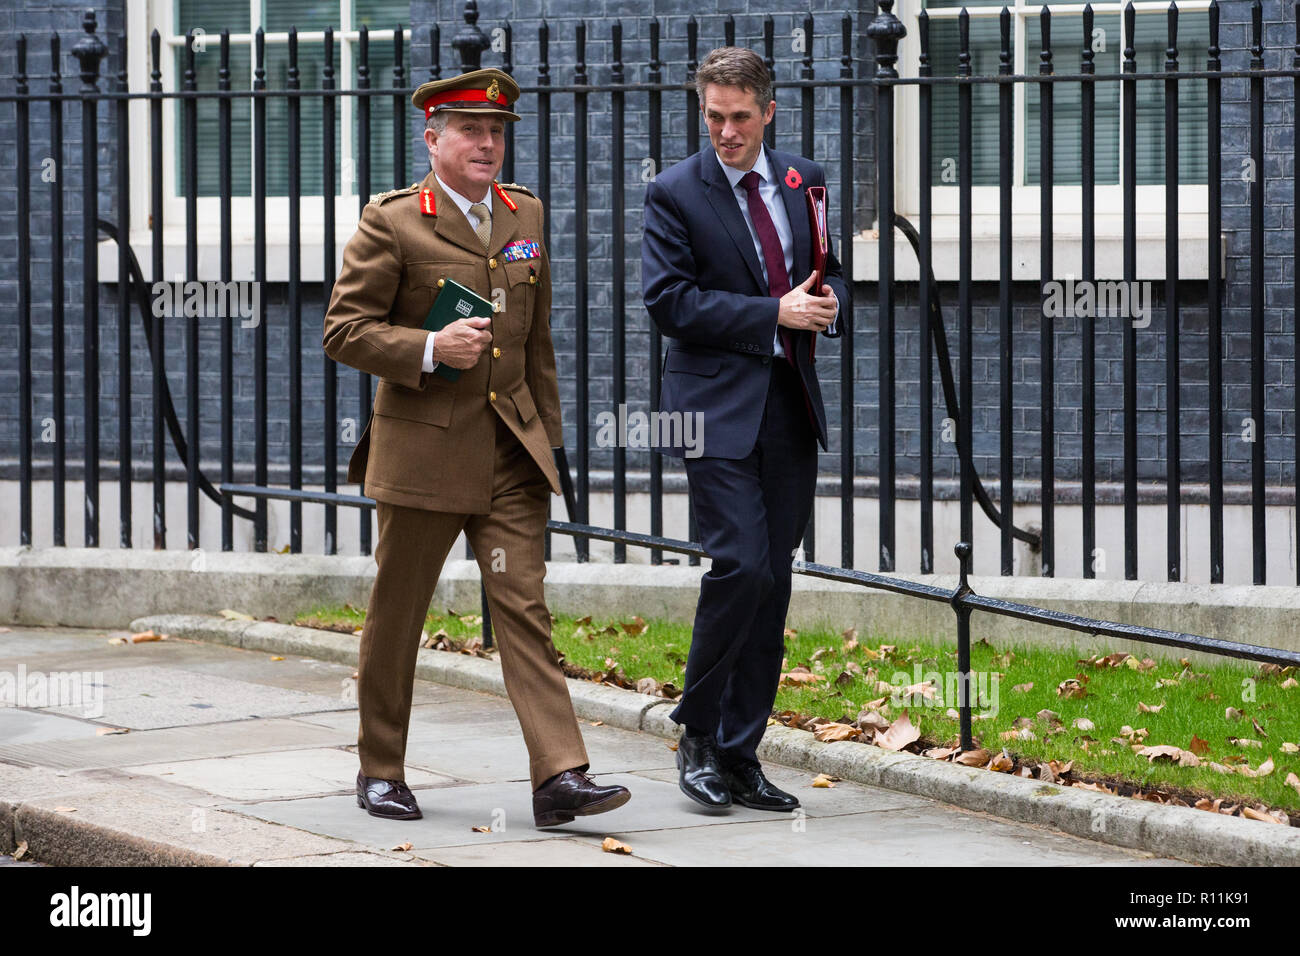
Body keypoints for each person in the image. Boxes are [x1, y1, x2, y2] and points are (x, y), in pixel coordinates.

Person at [323, 67, 629, 828]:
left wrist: (547, 441)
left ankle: (560, 775)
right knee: (399, 614)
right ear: (434, 139)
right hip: (425, 455)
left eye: (496, 132)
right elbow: (344, 331)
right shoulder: (393, 222)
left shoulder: (524, 211)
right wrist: (431, 347)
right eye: (470, 131)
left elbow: (539, 343)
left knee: (524, 607)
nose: (487, 143)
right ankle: (381, 768)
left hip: (509, 452)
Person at [641, 47, 850, 811]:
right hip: (710, 412)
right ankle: (697, 732)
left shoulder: (805, 180)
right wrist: (774, 313)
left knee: (776, 580)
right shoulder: (673, 193)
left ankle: (739, 754)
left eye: (738, 117)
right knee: (741, 567)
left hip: (788, 406)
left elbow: (831, 271)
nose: (724, 132)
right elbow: (669, 302)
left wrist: (830, 308)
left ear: (768, 112)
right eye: (712, 117)